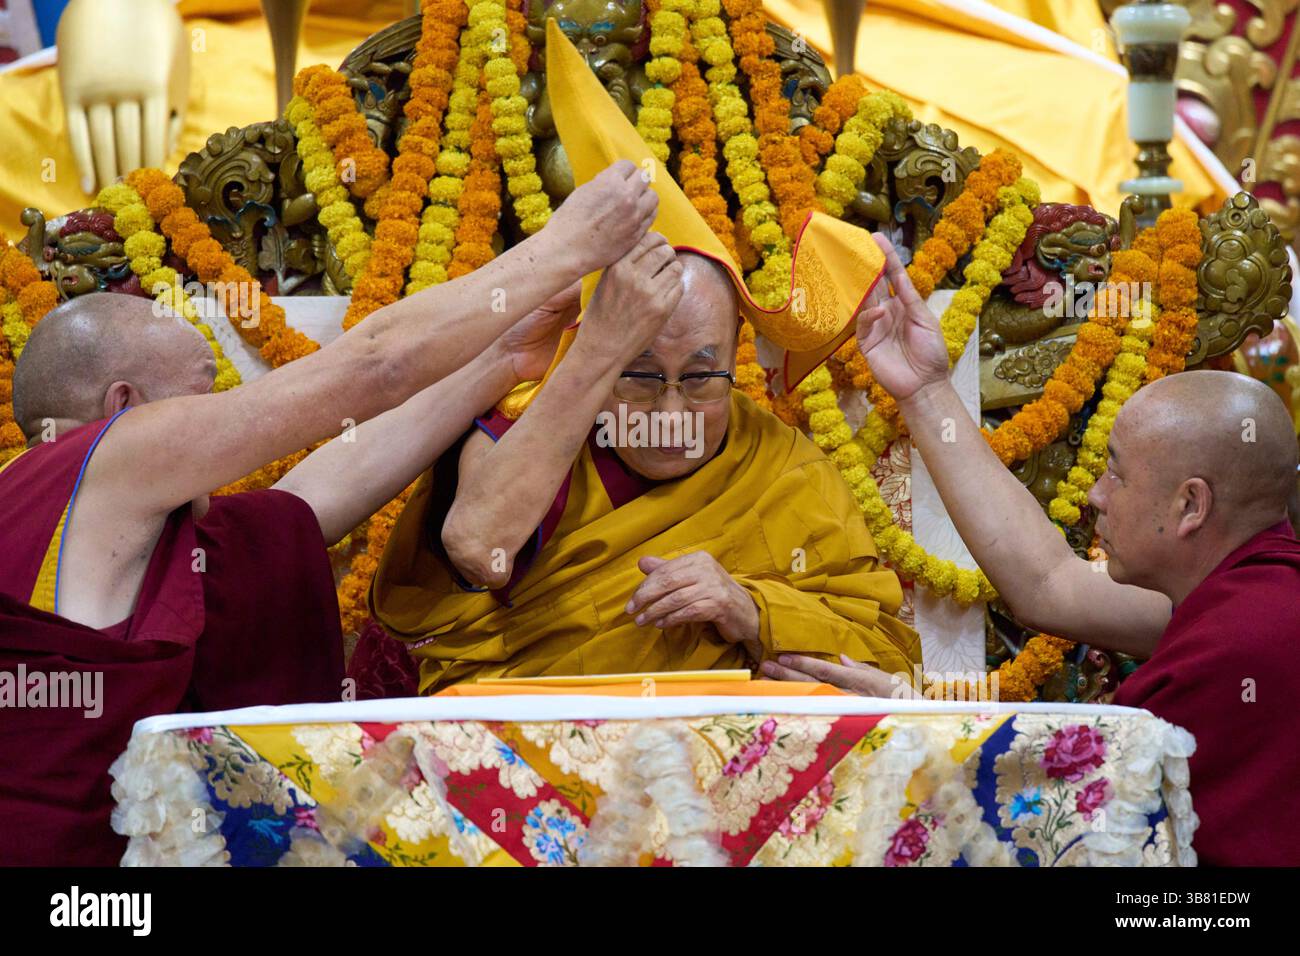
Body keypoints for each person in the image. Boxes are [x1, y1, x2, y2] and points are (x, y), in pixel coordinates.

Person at [0, 161, 658, 865]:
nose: (218, 425)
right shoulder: (102, 460)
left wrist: (500, 359)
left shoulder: (114, 526)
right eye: (202, 399)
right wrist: (565, 248)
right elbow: (373, 365)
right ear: (123, 407)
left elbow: (318, 498)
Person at [763, 234, 1300, 866]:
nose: (1096, 495)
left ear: (1190, 506)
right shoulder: (1242, 595)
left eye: (1117, 474)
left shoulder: (1248, 639)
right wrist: (925, 391)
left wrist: (903, 718)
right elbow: (1048, 583)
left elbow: (1070, 802)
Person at [368, 242, 920, 693]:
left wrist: (751, 611)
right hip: (525, 755)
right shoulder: (534, 425)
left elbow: (881, 667)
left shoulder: (784, 468)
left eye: (702, 378)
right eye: (641, 376)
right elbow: (475, 547)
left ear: (735, 360)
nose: (672, 413)